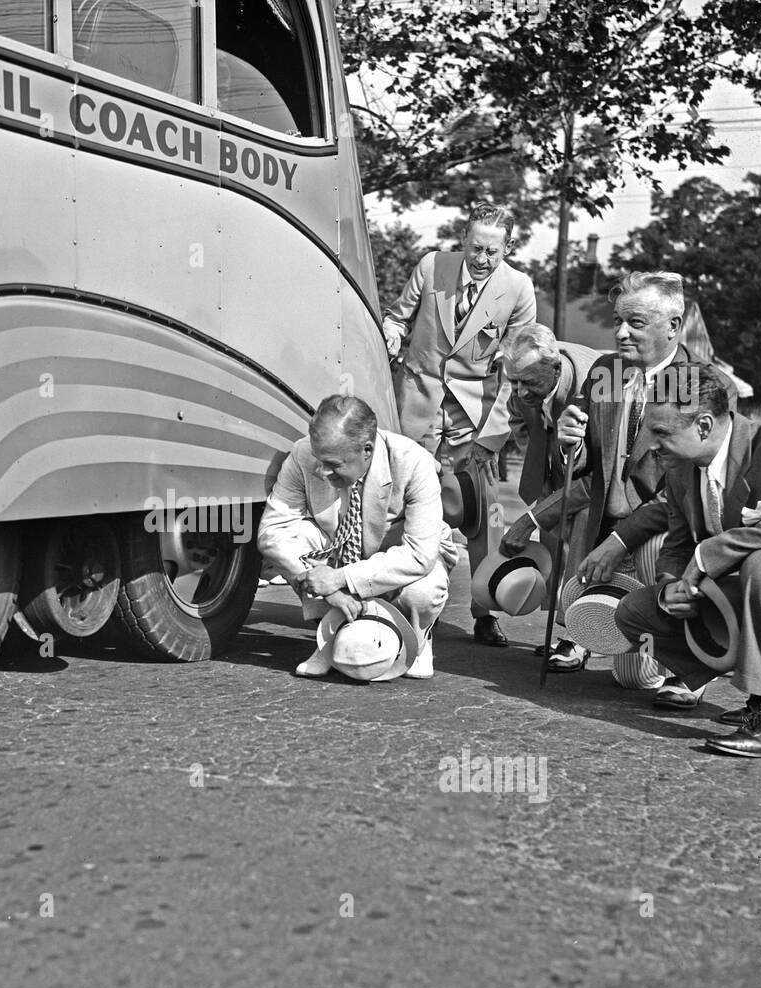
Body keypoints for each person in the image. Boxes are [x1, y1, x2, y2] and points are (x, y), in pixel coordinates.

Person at [614, 365, 761, 757]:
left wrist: (712, 550)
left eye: (661, 433)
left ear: (703, 426)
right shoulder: (679, 472)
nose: (649, 445)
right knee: (637, 610)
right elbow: (676, 547)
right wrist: (673, 586)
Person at [536, 272, 699, 703]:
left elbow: (682, 494)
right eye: (618, 321)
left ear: (673, 326)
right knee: (634, 679)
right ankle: (590, 636)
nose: (622, 332)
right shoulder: (605, 370)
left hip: (665, 534)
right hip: (605, 527)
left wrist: (621, 540)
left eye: (637, 323)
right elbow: (583, 464)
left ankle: (693, 665)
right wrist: (567, 441)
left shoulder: (701, 386)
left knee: (654, 546)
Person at [382, 202, 537, 648]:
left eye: (492, 251)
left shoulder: (519, 289)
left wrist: (493, 436)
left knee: (484, 517)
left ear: (508, 247)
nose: (482, 259)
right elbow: (397, 316)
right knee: (402, 505)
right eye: (475, 248)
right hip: (417, 407)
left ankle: (485, 612)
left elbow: (518, 367)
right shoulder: (431, 266)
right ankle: (389, 601)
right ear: (463, 241)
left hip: (474, 419)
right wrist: (393, 332)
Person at [257, 395, 456, 679]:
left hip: (397, 556)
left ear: (367, 449)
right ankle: (331, 635)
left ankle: (418, 637)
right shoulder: (303, 454)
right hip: (337, 552)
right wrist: (328, 591)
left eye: (333, 464)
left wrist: (339, 579)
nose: (321, 471)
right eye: (318, 459)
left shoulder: (414, 462)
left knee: (422, 592)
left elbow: (419, 555)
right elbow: (271, 532)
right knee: (293, 537)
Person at [495, 324, 603, 654]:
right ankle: (566, 628)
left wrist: (530, 519)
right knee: (553, 536)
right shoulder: (523, 376)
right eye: (513, 381)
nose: (520, 391)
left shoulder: (597, 386)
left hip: (600, 481)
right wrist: (546, 460)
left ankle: (578, 636)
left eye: (528, 382)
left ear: (555, 368)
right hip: (559, 464)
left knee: (581, 525)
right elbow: (518, 419)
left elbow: (594, 482)